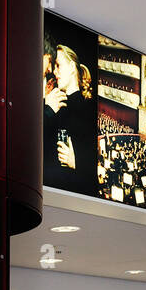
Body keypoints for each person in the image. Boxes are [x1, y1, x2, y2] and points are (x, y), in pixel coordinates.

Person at [43, 44, 93, 191]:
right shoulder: (56, 104)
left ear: (72, 67)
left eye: (58, 65)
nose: (54, 71)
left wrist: (76, 162)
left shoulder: (88, 109)